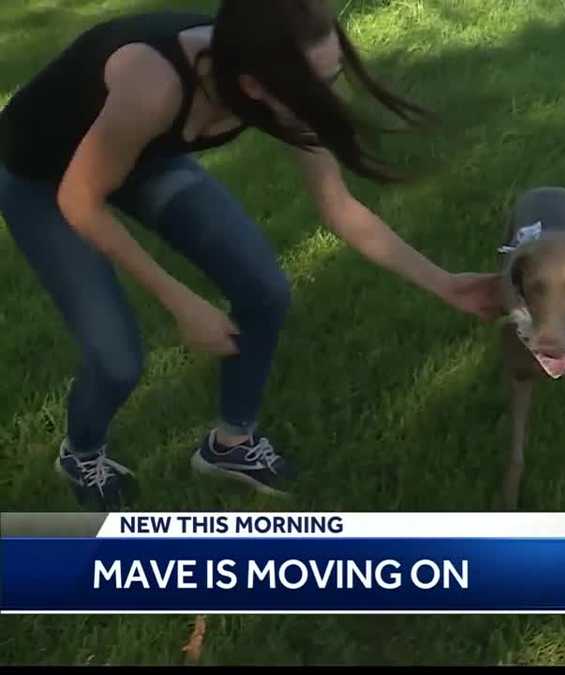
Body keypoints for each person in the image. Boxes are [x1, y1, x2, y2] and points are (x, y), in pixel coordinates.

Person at [0, 0, 503, 510]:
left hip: (146, 157)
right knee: (117, 359)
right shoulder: (153, 83)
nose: (330, 95)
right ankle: (81, 453)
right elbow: (79, 201)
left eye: (332, 74)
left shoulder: (274, 73)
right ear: (255, 87)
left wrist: (444, 282)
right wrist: (183, 302)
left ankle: (231, 445)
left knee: (263, 290)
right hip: (40, 175)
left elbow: (341, 208)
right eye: (317, 84)